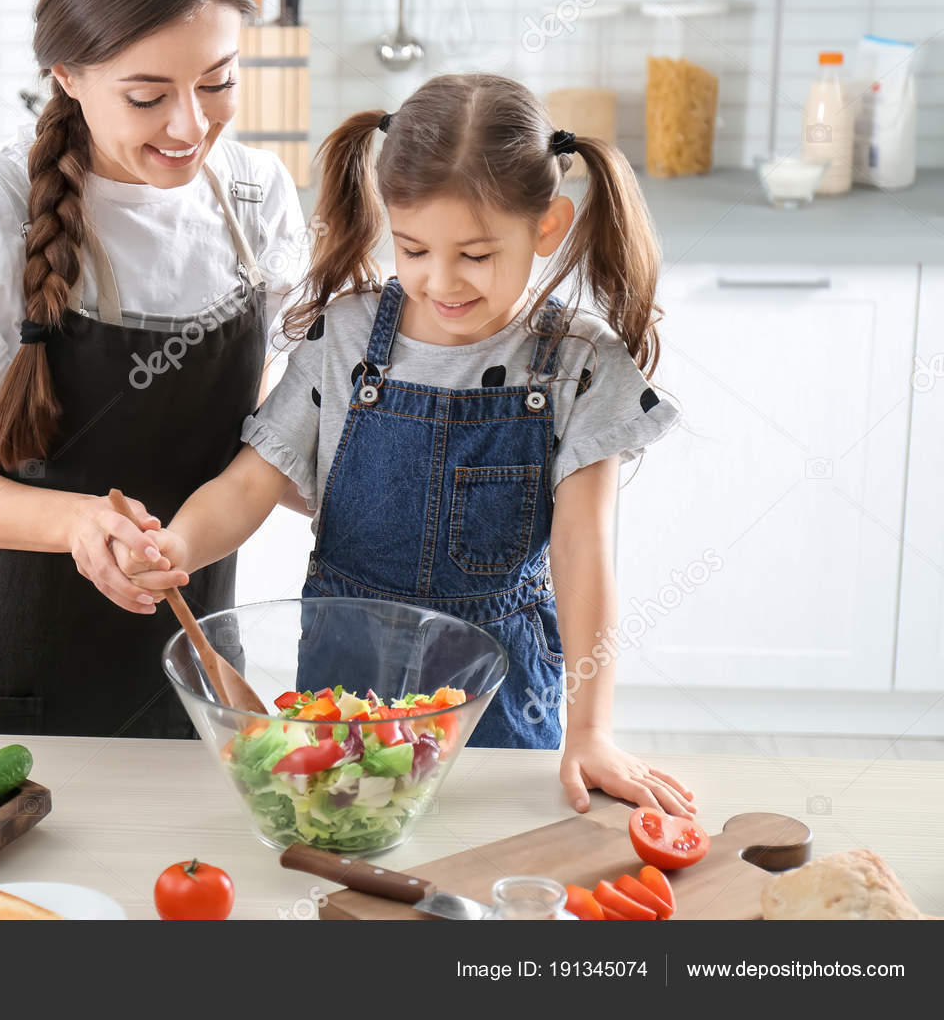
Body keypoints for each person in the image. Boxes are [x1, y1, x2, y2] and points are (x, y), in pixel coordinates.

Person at [99, 73, 698, 814]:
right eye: (412, 248)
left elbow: (583, 555)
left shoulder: (578, 362)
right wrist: (180, 545)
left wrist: (593, 730)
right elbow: (251, 481)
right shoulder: (347, 332)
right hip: (343, 688)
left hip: (495, 705)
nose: (438, 280)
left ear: (547, 226)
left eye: (476, 255)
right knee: (346, 859)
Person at [0, 0, 309, 738]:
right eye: (147, 95)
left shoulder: (257, 201)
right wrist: (75, 521)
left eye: (217, 83)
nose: (191, 125)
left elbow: (268, 439)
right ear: (66, 72)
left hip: (194, 682)